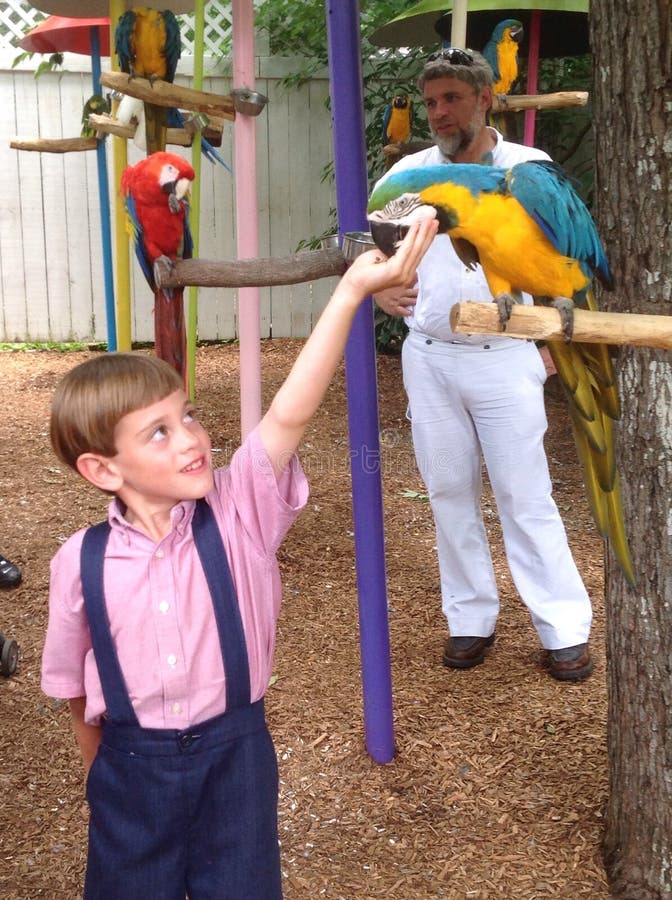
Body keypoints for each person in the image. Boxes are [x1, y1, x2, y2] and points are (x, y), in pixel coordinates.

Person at [40, 220, 437, 900]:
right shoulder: (80, 563)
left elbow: (286, 416)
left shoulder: (238, 512)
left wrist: (349, 294)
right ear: (102, 469)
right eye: (159, 432)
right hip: (130, 776)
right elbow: (75, 690)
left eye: (188, 415)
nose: (192, 437)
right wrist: (102, 780)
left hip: (237, 765)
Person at [373, 48, 594, 683]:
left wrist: (552, 339)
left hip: (505, 357)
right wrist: (380, 287)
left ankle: (563, 627)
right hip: (430, 356)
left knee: (525, 495)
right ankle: (470, 618)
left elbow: (562, 265)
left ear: (485, 99)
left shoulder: (527, 169)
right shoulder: (409, 173)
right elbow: (362, 246)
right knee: (447, 493)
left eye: (453, 98)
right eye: (432, 100)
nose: (440, 112)